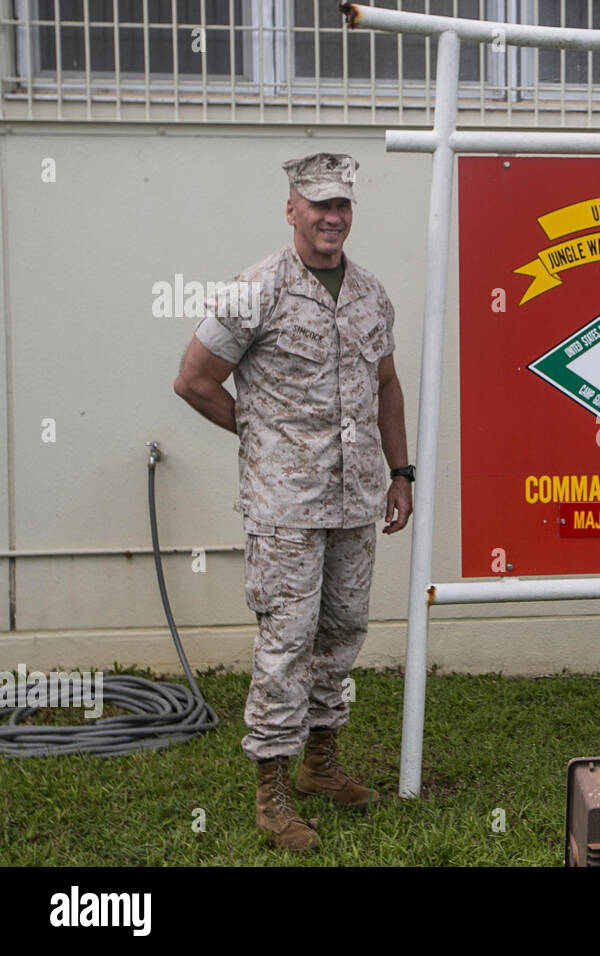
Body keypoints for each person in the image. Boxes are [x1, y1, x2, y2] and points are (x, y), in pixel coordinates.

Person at [173, 153, 413, 851]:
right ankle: (272, 795)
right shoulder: (256, 290)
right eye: (318, 205)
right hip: (285, 507)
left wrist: (401, 473)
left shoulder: (370, 293)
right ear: (292, 210)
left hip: (354, 499)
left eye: (342, 206)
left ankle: (320, 765)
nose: (331, 217)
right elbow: (193, 380)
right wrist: (258, 432)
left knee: (341, 633)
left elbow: (387, 385)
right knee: (286, 643)